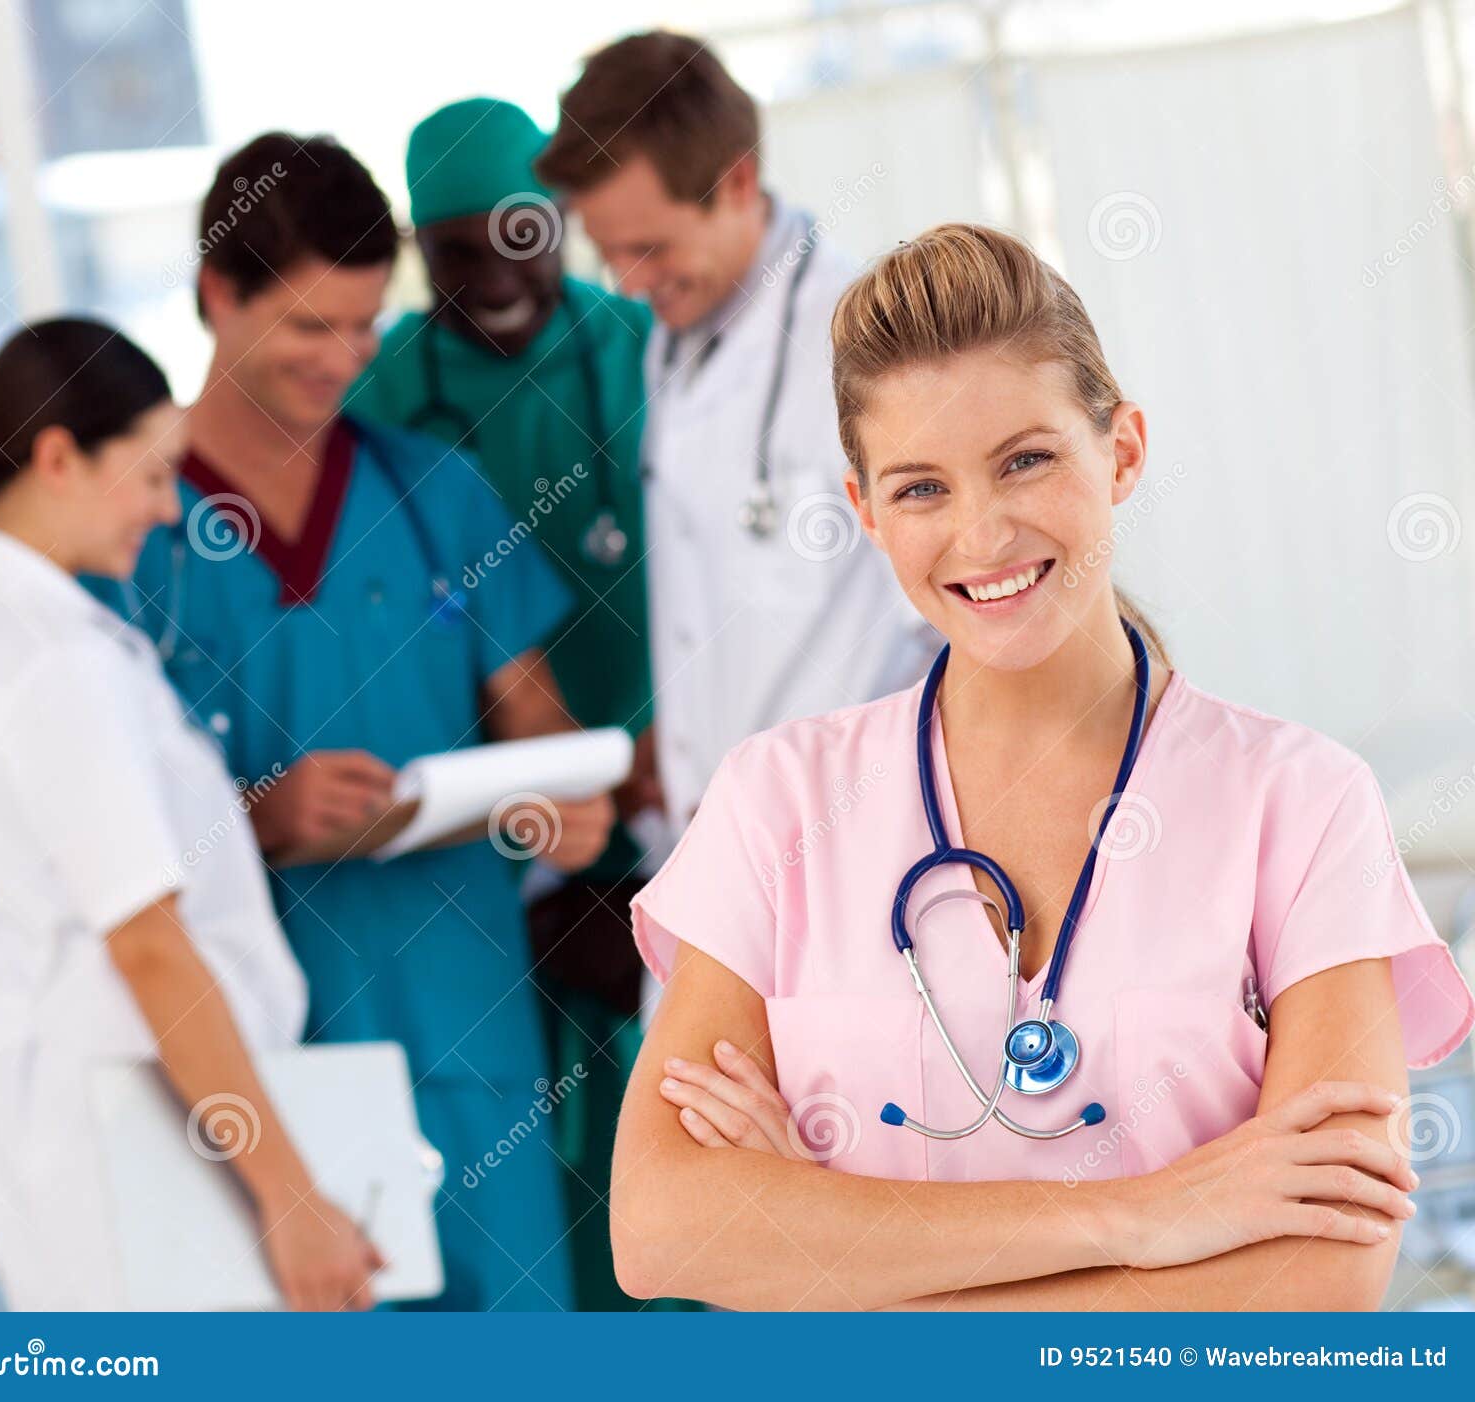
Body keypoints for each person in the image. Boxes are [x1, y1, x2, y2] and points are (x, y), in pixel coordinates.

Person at [610, 224, 1475, 1311]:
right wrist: (1148, 1215)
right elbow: (660, 1232)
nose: (982, 533)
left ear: (1120, 452)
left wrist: (833, 1268)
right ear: (863, 511)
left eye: (1026, 459)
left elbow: (1320, 1277)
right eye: (921, 488)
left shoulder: (1300, 804)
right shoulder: (775, 802)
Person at [96, 133, 614, 1311]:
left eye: (364, 325)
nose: (344, 360)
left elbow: (536, 720)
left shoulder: (433, 494)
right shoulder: (124, 534)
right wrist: (254, 817)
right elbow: (89, 836)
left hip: (466, 1039)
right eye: (306, 326)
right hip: (255, 1073)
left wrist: (563, 806)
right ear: (214, 296)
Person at [0, 318, 382, 1311]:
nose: (168, 511)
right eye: (152, 475)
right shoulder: (51, 658)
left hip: (108, 1143)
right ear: (61, 457)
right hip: (126, 1150)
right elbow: (150, 946)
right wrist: (290, 1197)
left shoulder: (5, 627)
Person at [345, 98, 664, 1310]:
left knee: (686, 1133)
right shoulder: (377, 405)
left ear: (561, 221)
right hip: (494, 844)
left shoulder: (643, 351)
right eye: (456, 249)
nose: (493, 272)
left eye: (518, 232)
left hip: (671, 799)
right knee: (528, 1170)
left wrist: (642, 788)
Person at [535, 30, 933, 841]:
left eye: (650, 247)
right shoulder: (675, 336)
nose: (628, 282)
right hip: (718, 844)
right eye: (607, 251)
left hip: (857, 838)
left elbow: (950, 621)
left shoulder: (873, 343)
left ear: (738, 181)